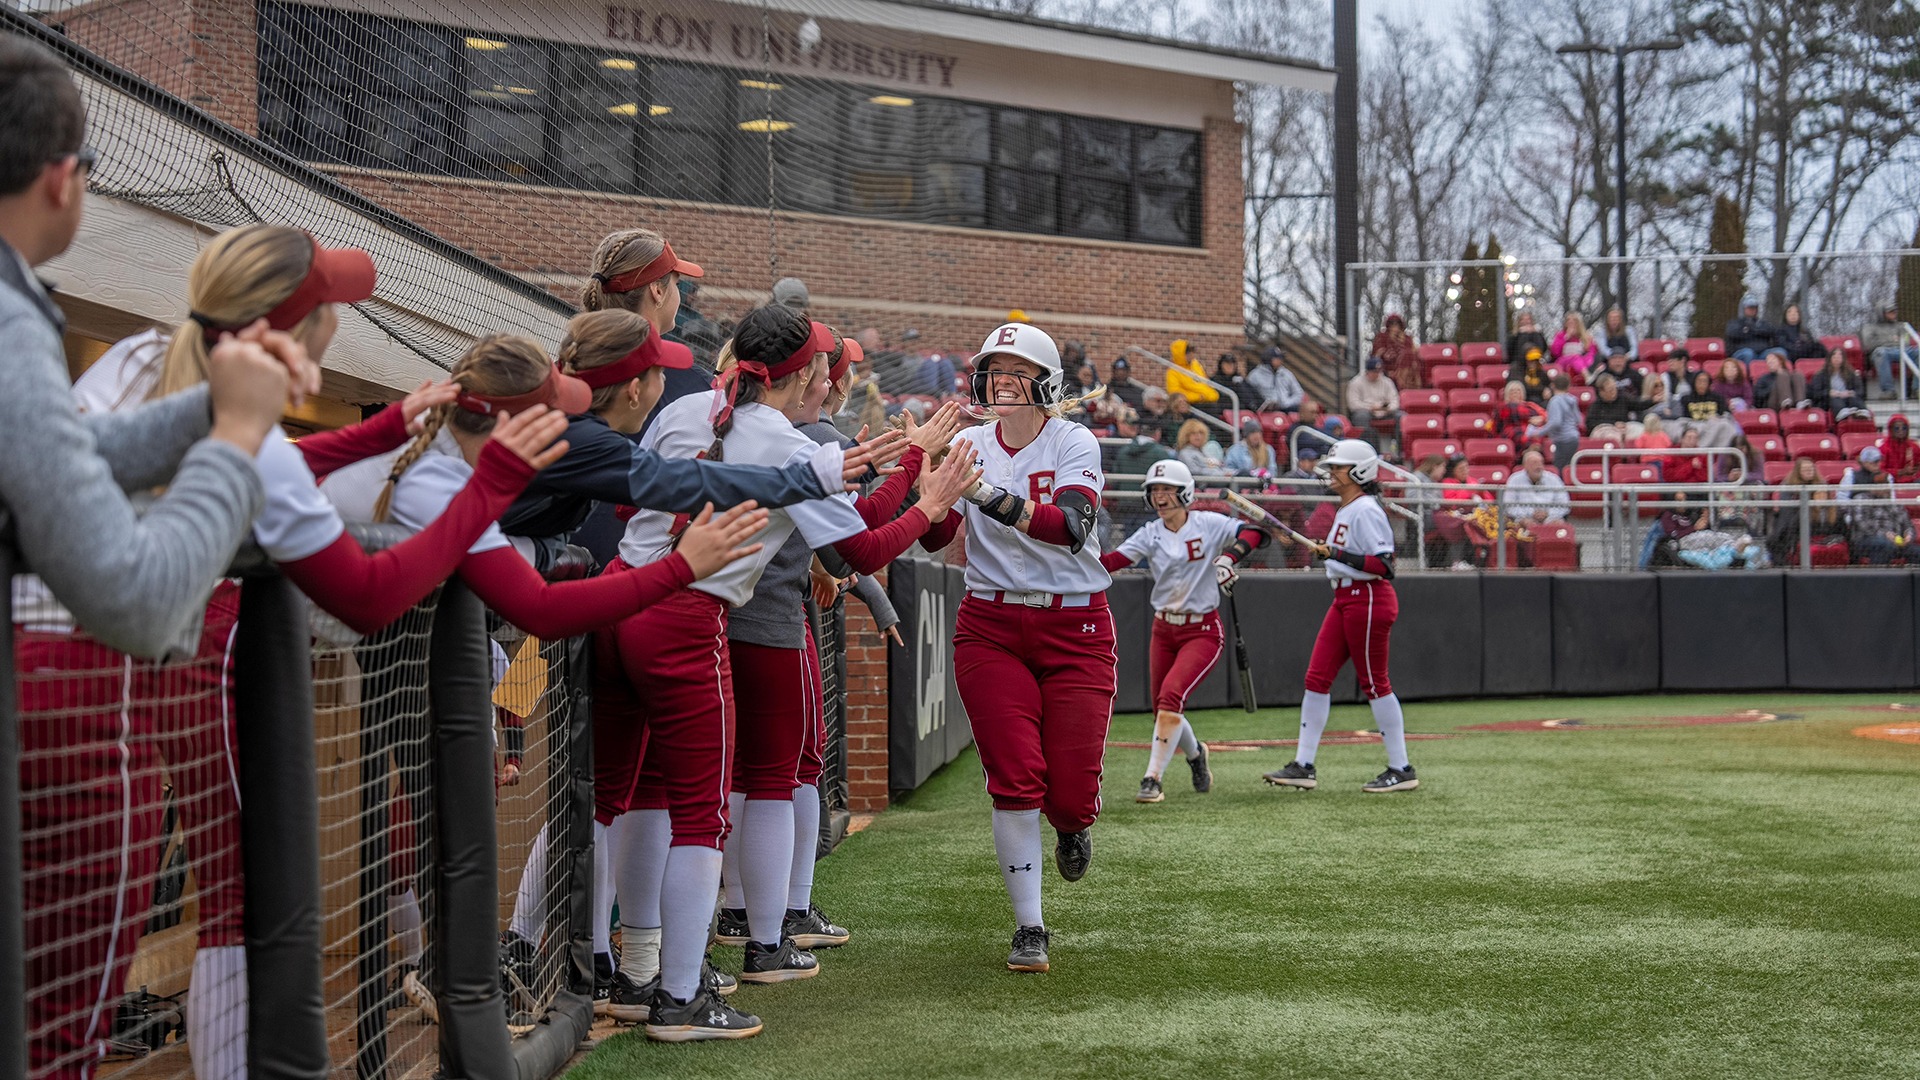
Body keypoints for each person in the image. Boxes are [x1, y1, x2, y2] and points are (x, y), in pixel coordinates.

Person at [11, 225, 552, 1080]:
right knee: (232, 908)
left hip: (75, 662)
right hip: (135, 670)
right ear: (287, 330)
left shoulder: (148, 353)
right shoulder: (268, 436)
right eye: (326, 305)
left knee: (62, 970)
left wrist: (373, 438)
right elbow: (378, 593)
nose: (336, 316)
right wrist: (488, 490)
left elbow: (238, 441)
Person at [601, 307, 974, 1038]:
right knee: (701, 816)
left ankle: (633, 973)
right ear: (806, 373)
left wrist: (894, 462)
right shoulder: (781, 438)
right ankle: (680, 995)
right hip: (684, 616)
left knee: (622, 800)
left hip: (621, 593)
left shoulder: (688, 406)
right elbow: (860, 552)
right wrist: (926, 497)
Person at [0, 37, 315, 663]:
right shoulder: (11, 323)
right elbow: (138, 601)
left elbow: (55, 451)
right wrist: (236, 434)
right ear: (63, 179)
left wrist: (212, 408)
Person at [918, 321, 1116, 976]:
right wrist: (931, 481)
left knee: (1069, 794)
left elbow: (1069, 526)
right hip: (991, 624)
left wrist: (983, 494)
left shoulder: (1073, 438)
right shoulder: (970, 440)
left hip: (1076, 627)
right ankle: (1030, 925)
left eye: (1014, 369)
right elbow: (933, 535)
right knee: (1013, 778)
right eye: (992, 369)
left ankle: (1073, 823)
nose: (1000, 380)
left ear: (1045, 381)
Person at [1100, 460, 1267, 803]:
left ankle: (1152, 778)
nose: (1159, 497)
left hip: (1202, 629)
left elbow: (1255, 534)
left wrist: (1229, 559)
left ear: (1184, 492)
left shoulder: (1207, 523)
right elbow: (1114, 561)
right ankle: (1196, 756)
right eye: (1154, 491)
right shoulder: (1151, 532)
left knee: (1171, 698)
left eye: (1166, 490)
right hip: (1163, 628)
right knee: (1162, 707)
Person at [1263, 440, 1417, 794]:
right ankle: (1304, 764)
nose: (1331, 473)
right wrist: (1333, 554)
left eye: (1339, 467)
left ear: (1359, 472)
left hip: (1367, 598)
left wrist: (1338, 554)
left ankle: (1401, 766)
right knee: (1317, 677)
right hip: (1345, 597)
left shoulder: (1365, 509)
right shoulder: (1347, 509)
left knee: (1375, 683)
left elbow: (1385, 565)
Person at [1768, 457, 1844, 563]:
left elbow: (1827, 506)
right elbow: (1787, 513)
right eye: (1805, 469)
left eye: (1811, 469)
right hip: (1792, 523)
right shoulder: (1788, 487)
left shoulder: (1821, 484)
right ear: (1798, 471)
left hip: (1817, 525)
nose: (1809, 471)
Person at [1843, 451, 1913, 563]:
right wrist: (1885, 534)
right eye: (1879, 485)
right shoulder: (1860, 499)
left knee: (1916, 551)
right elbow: (1863, 525)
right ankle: (1879, 579)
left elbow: (1908, 524)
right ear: (1872, 486)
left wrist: (1908, 534)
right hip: (1866, 541)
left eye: (1885, 484)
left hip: (1895, 541)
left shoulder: (1895, 504)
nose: (1883, 488)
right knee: (1884, 545)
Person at [1346, 356, 1402, 451]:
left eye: (1378, 371)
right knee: (1361, 416)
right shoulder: (1356, 382)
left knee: (1401, 416)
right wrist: (1370, 407)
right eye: (1374, 372)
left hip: (1385, 411)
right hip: (1367, 411)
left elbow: (1395, 400)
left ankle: (1400, 450)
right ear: (1367, 371)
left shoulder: (1387, 382)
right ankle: (1367, 449)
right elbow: (1353, 404)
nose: (1377, 374)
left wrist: (1388, 408)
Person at [1502, 448, 1570, 524]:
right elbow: (1509, 505)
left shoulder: (1554, 479)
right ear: (1525, 466)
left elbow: (1564, 504)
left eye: (1541, 463)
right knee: (1524, 523)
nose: (1539, 466)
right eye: (1534, 463)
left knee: (1558, 523)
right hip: (1524, 518)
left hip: (1550, 518)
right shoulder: (1514, 479)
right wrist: (1530, 514)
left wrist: (1548, 513)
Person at [1113, 407, 1176, 481]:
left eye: (1136, 424)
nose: (1134, 427)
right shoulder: (1109, 444)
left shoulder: (1123, 451)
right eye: (1130, 423)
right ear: (1119, 423)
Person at [1810, 347, 1866, 415]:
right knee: (1835, 400)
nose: (1837, 359)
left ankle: (1862, 413)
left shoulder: (1851, 373)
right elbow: (1815, 393)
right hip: (1829, 401)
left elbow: (1860, 390)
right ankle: (1843, 413)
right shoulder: (1820, 375)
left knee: (1854, 399)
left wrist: (1851, 392)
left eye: (1839, 356)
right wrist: (1829, 393)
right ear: (1830, 359)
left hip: (1847, 398)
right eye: (1834, 356)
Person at [1370, 313, 1420, 388]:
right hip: (1386, 372)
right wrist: (1385, 372)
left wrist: (1402, 343)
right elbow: (1376, 357)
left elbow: (1414, 354)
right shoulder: (1382, 337)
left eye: (1397, 324)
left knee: (1409, 356)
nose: (1395, 326)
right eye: (1392, 324)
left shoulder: (1407, 339)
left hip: (1405, 372)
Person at [1544, 372, 1583, 470]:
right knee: (1569, 467)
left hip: (1563, 439)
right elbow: (1579, 420)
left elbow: (1556, 422)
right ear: (1568, 386)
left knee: (1560, 468)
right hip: (1574, 438)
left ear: (1553, 386)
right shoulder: (1572, 400)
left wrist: (1538, 431)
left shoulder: (1555, 401)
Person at [1247, 345, 1304, 411]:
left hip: (1287, 408)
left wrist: (1287, 403)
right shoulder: (1255, 375)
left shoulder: (1286, 373)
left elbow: (1299, 393)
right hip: (1265, 410)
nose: (1281, 360)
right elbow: (1249, 395)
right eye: (1277, 358)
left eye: (1281, 358)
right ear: (1268, 359)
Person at [1725, 296, 1778, 361]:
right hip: (1742, 353)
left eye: (1754, 308)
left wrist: (1751, 330)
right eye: (1749, 308)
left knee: (1779, 352)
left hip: (1762, 353)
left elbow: (1772, 331)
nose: (1752, 310)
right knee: (1749, 353)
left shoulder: (1763, 323)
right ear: (1743, 308)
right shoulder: (1734, 323)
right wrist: (1753, 330)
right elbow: (1732, 333)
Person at [1550, 312, 1596, 378]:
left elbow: (1591, 353)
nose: (1571, 323)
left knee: (1577, 359)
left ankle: (1584, 375)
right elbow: (1555, 352)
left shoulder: (1586, 337)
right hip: (1563, 361)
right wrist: (1566, 337)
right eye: (1568, 321)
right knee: (1575, 358)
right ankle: (1586, 376)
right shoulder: (1560, 336)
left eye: (1574, 321)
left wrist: (1585, 362)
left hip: (1579, 363)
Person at [1878, 416, 1918, 482]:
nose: (1901, 430)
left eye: (1904, 428)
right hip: (1890, 482)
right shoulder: (1883, 449)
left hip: (1913, 482)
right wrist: (1900, 472)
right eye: (1897, 428)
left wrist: (1915, 474)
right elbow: (1880, 470)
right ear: (1890, 429)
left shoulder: (1914, 447)